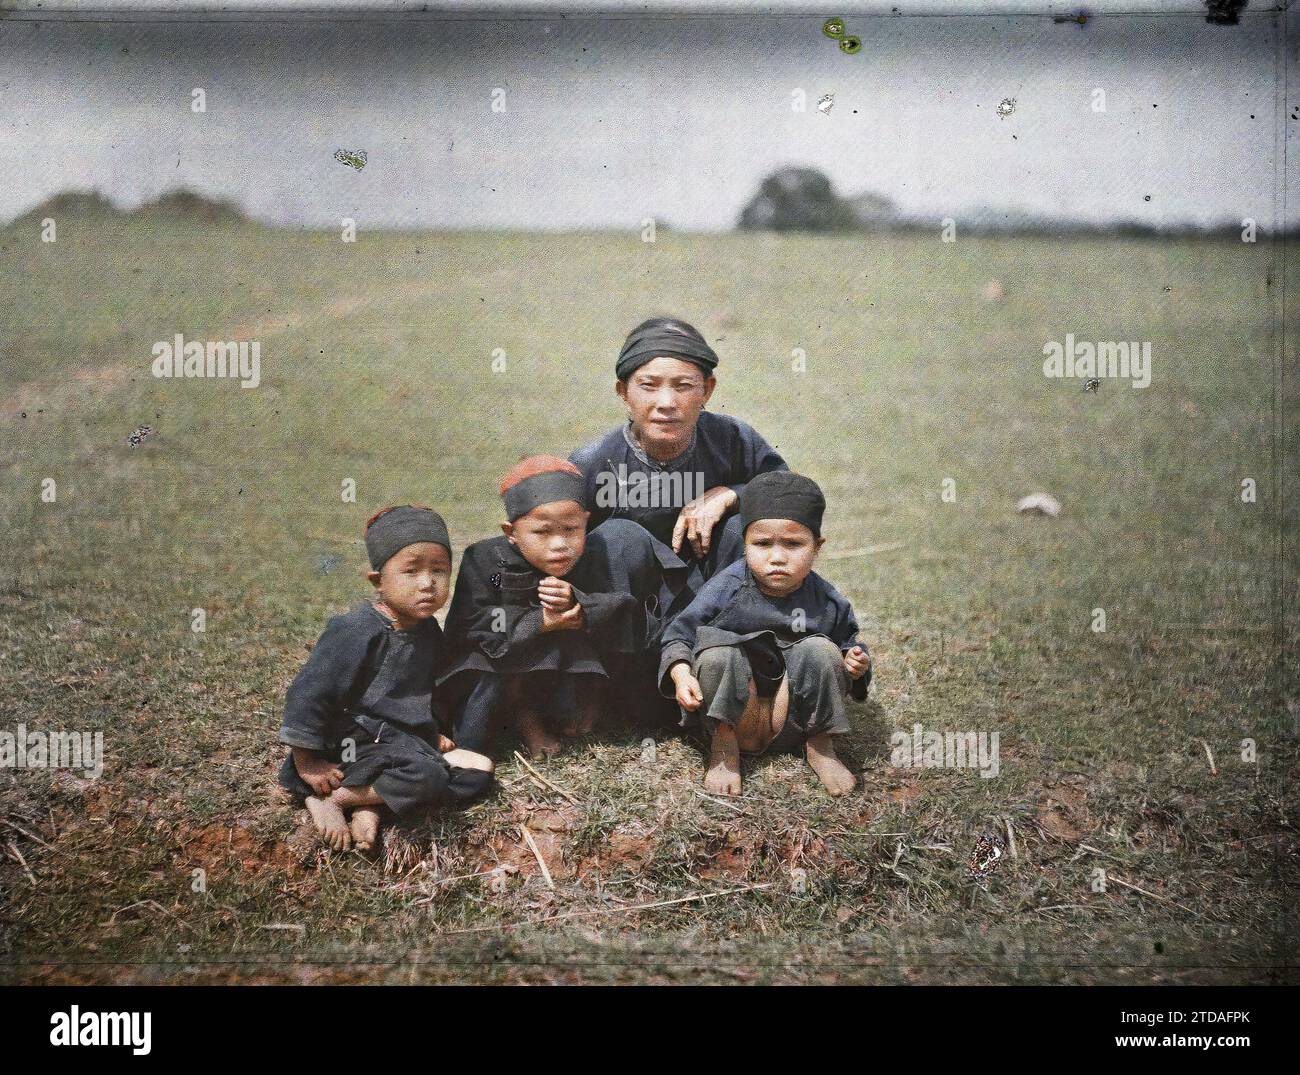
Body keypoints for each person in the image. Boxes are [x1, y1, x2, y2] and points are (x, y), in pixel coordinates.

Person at [277, 506, 493, 853]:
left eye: (440, 571)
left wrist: (431, 731)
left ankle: (371, 802)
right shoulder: (355, 630)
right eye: (411, 571)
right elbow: (310, 694)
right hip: (350, 742)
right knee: (429, 777)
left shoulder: (427, 630)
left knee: (479, 769)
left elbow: (418, 692)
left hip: (398, 742)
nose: (428, 583)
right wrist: (308, 762)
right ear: (377, 580)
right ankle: (335, 798)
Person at [659, 472, 871, 797]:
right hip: (734, 714)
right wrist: (681, 672)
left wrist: (855, 661)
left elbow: (849, 642)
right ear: (744, 545)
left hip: (794, 720)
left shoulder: (826, 600)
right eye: (761, 544)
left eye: (793, 544)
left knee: (821, 651)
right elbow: (679, 634)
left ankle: (821, 746)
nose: (777, 557)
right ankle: (724, 750)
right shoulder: (727, 587)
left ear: (817, 547)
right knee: (717, 653)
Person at [438, 456, 665, 758]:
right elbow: (471, 621)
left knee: (577, 707)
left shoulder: (595, 556)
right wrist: (540, 621)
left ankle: (588, 701)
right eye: (542, 532)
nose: (559, 544)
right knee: (486, 676)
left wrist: (580, 604)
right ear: (511, 532)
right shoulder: (485, 559)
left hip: (572, 664)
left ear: (586, 521)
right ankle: (526, 718)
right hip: (509, 662)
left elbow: (624, 605)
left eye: (571, 529)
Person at [569, 316, 787, 618]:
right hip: (628, 618)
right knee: (617, 538)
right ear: (623, 392)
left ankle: (734, 642)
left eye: (683, 386)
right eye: (649, 386)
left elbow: (792, 498)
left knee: (742, 525)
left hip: (712, 608)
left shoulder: (733, 440)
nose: (666, 402)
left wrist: (734, 495)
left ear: (707, 390)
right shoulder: (593, 462)